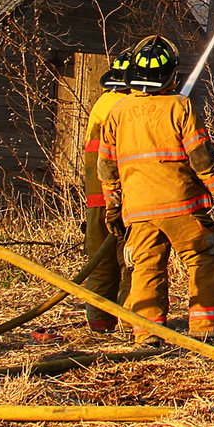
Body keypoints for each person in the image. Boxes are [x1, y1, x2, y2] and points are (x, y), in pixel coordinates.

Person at [98, 36, 214, 345]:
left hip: (138, 212)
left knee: (146, 269)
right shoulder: (180, 106)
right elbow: (202, 158)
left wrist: (113, 209)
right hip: (182, 206)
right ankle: (207, 330)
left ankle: (147, 335)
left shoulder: (116, 113)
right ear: (171, 75)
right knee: (205, 256)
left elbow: (107, 169)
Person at [78, 49, 135, 332]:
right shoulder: (126, 107)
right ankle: (132, 319)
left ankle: (100, 320)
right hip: (122, 197)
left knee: (99, 261)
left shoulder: (103, 103)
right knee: (132, 259)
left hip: (96, 199)